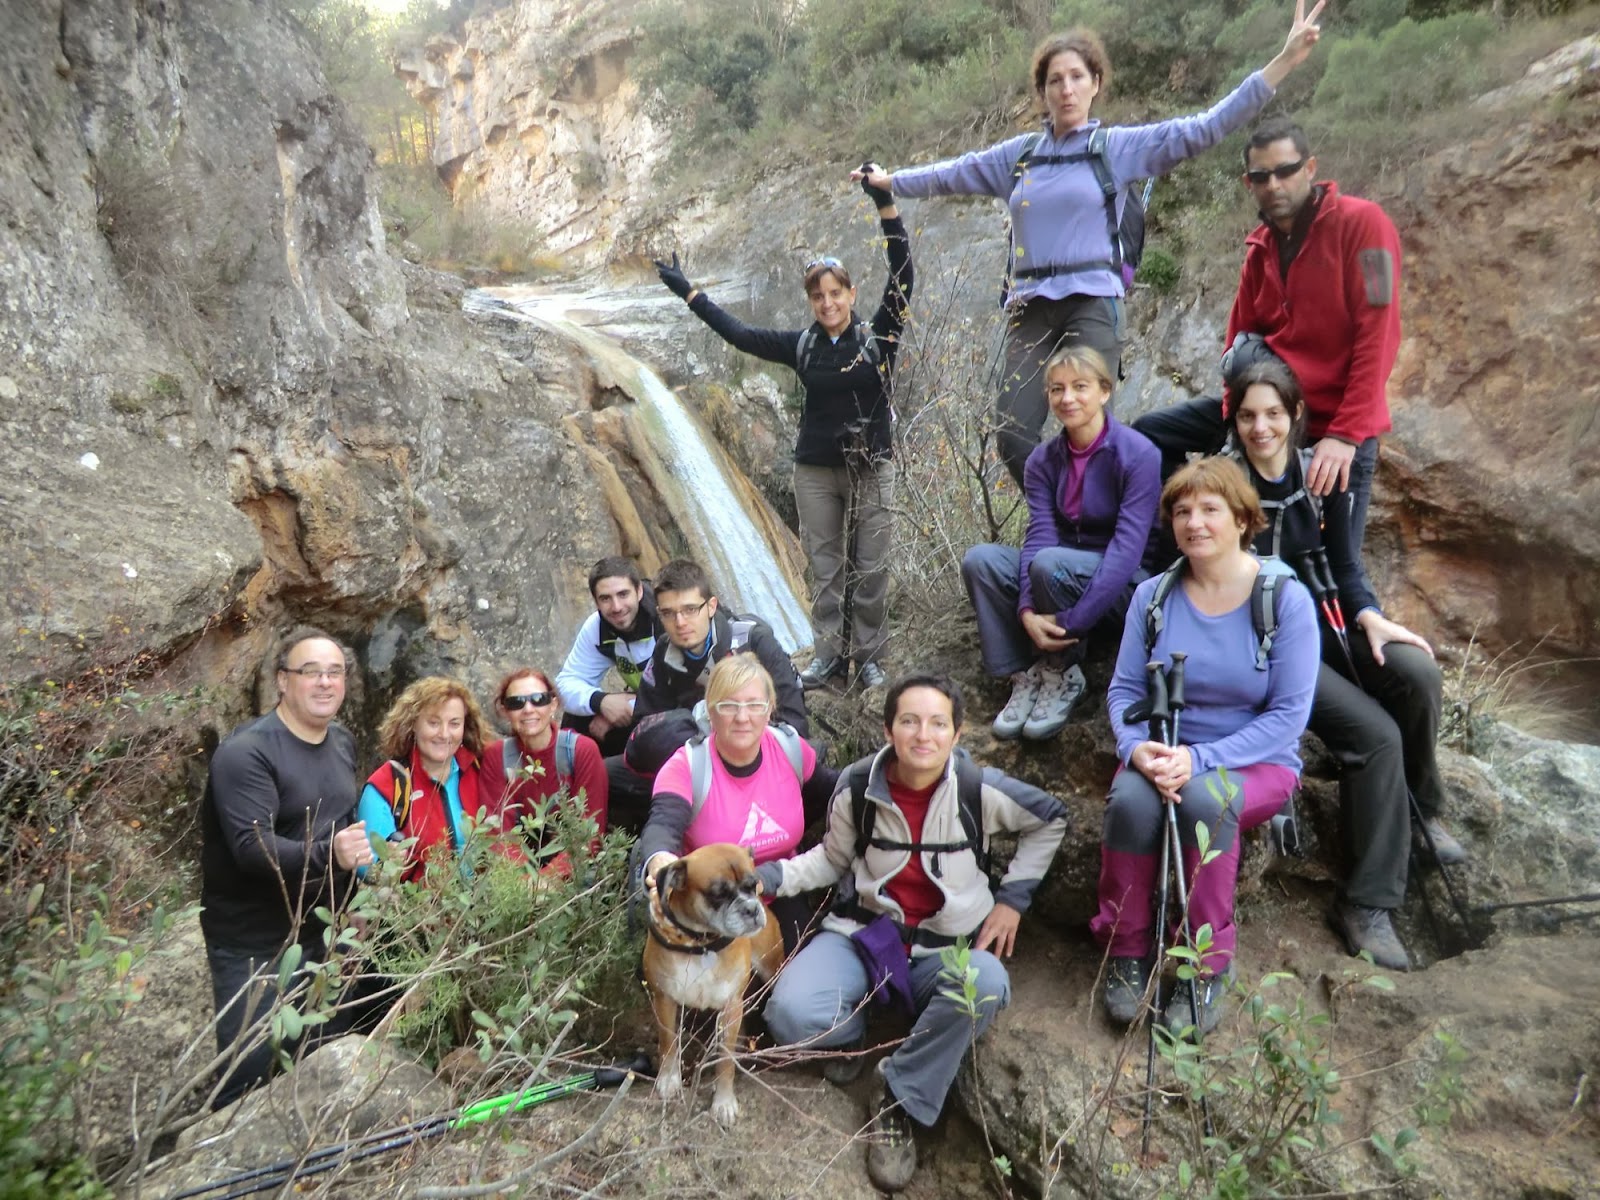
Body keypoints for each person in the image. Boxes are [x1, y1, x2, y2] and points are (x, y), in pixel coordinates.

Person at [857, 1, 1327, 485]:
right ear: (1042, 91)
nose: (1066, 89)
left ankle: (1094, 521)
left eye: (1077, 77)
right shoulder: (1019, 156)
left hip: (1093, 305)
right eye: (1055, 80)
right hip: (1030, 308)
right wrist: (891, 181)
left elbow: (1205, 128)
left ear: (1095, 83)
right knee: (1012, 432)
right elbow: (952, 173)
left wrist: (1283, 61)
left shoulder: (1118, 149)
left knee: (1088, 429)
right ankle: (1061, 512)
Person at [759, 674, 1067, 1193]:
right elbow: (831, 860)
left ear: (956, 733)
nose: (923, 735)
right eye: (909, 721)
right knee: (790, 1014)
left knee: (985, 984)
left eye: (938, 723)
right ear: (888, 730)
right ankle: (852, 1040)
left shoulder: (978, 789)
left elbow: (1050, 819)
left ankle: (897, 1095)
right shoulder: (858, 785)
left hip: (945, 948)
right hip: (864, 938)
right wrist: (770, 876)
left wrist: (1012, 901)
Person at [1226, 360, 1462, 969]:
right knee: (1375, 736)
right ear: (1235, 419)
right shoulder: (1223, 485)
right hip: (1267, 644)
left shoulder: (1321, 474)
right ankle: (1365, 903)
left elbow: (1345, 565)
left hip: (1327, 619)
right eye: (1248, 415)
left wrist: (1370, 616)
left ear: (1295, 415)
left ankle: (1423, 813)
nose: (1260, 428)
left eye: (1273, 414)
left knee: (1416, 674)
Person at [654, 171, 912, 691]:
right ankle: (828, 657)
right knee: (825, 569)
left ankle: (870, 658)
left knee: (870, 568)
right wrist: (688, 292)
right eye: (818, 296)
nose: (827, 303)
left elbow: (903, 274)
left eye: (835, 293)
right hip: (815, 471)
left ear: (851, 293)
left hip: (871, 466)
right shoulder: (803, 345)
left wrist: (885, 204)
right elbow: (739, 334)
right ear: (810, 301)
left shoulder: (879, 337)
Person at [1093, 458, 1316, 1036]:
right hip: (1165, 750)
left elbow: (1289, 717)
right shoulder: (1153, 597)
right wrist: (1135, 749)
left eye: (1210, 509)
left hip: (1254, 763)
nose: (1194, 522)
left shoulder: (1283, 600)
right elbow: (1124, 690)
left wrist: (1200, 760)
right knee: (1131, 803)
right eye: (1182, 511)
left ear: (1242, 519)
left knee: (1204, 801)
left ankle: (1205, 964)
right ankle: (1127, 948)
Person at [1134, 114, 1402, 584]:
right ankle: (1163, 570)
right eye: (1261, 176)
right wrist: (1233, 420)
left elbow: (1378, 334)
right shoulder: (1260, 248)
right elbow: (1238, 336)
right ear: (1249, 183)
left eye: (1286, 171)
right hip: (1265, 412)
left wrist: (1344, 435)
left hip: (1334, 424)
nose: (1274, 184)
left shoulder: (1364, 225)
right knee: (1149, 435)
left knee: (1335, 576)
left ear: (1310, 168)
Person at [198, 627, 379, 1107]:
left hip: (325, 932)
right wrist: (329, 855)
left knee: (322, 1058)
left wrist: (353, 904)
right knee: (250, 1076)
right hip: (254, 943)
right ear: (282, 680)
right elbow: (251, 847)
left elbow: (341, 821)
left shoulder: (341, 741)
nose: (325, 682)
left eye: (335, 672)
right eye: (310, 671)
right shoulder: (246, 753)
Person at [962, 347, 1159, 741]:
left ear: (1104, 391)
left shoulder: (1138, 454)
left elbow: (1127, 551)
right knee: (981, 561)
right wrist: (1026, 611)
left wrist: (1071, 622)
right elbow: (1040, 534)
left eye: (1080, 387)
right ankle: (1023, 673)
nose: (1067, 398)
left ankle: (1061, 669)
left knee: (1050, 563)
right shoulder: (1043, 460)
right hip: (1056, 572)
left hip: (1128, 583)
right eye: (1057, 389)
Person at [637, 656, 837, 951]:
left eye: (754, 705)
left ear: (769, 709)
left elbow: (835, 787)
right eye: (729, 705)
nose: (742, 717)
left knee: (799, 970)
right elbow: (664, 822)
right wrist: (660, 858)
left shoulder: (789, 748)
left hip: (780, 888)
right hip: (713, 900)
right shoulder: (688, 766)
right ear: (710, 711)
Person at [623, 558, 808, 780]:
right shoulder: (664, 650)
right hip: (692, 761)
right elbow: (645, 722)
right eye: (668, 613)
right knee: (612, 773)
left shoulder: (754, 641)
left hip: (757, 760)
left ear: (711, 606)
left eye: (690, 609)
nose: (680, 622)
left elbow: (794, 723)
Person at [357, 677, 491, 883]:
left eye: (454, 723)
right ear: (413, 725)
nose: (444, 734)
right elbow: (367, 868)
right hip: (417, 902)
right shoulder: (387, 785)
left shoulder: (481, 770)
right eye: (433, 723)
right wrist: (387, 863)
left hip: (484, 901)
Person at [478, 665, 609, 875]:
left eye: (538, 699)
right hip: (516, 878)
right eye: (516, 703)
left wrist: (545, 883)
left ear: (553, 704)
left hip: (574, 871)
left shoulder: (582, 751)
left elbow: (589, 836)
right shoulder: (496, 756)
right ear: (504, 711)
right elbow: (499, 836)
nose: (528, 709)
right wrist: (524, 885)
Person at [554, 557, 661, 757]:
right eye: (605, 598)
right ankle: (572, 775)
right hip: (643, 707)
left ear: (639, 591)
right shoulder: (597, 628)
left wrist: (632, 704)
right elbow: (565, 684)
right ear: (596, 602)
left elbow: (683, 692)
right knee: (577, 718)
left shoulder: (666, 617)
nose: (616, 607)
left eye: (623, 594)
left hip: (684, 712)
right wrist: (602, 702)